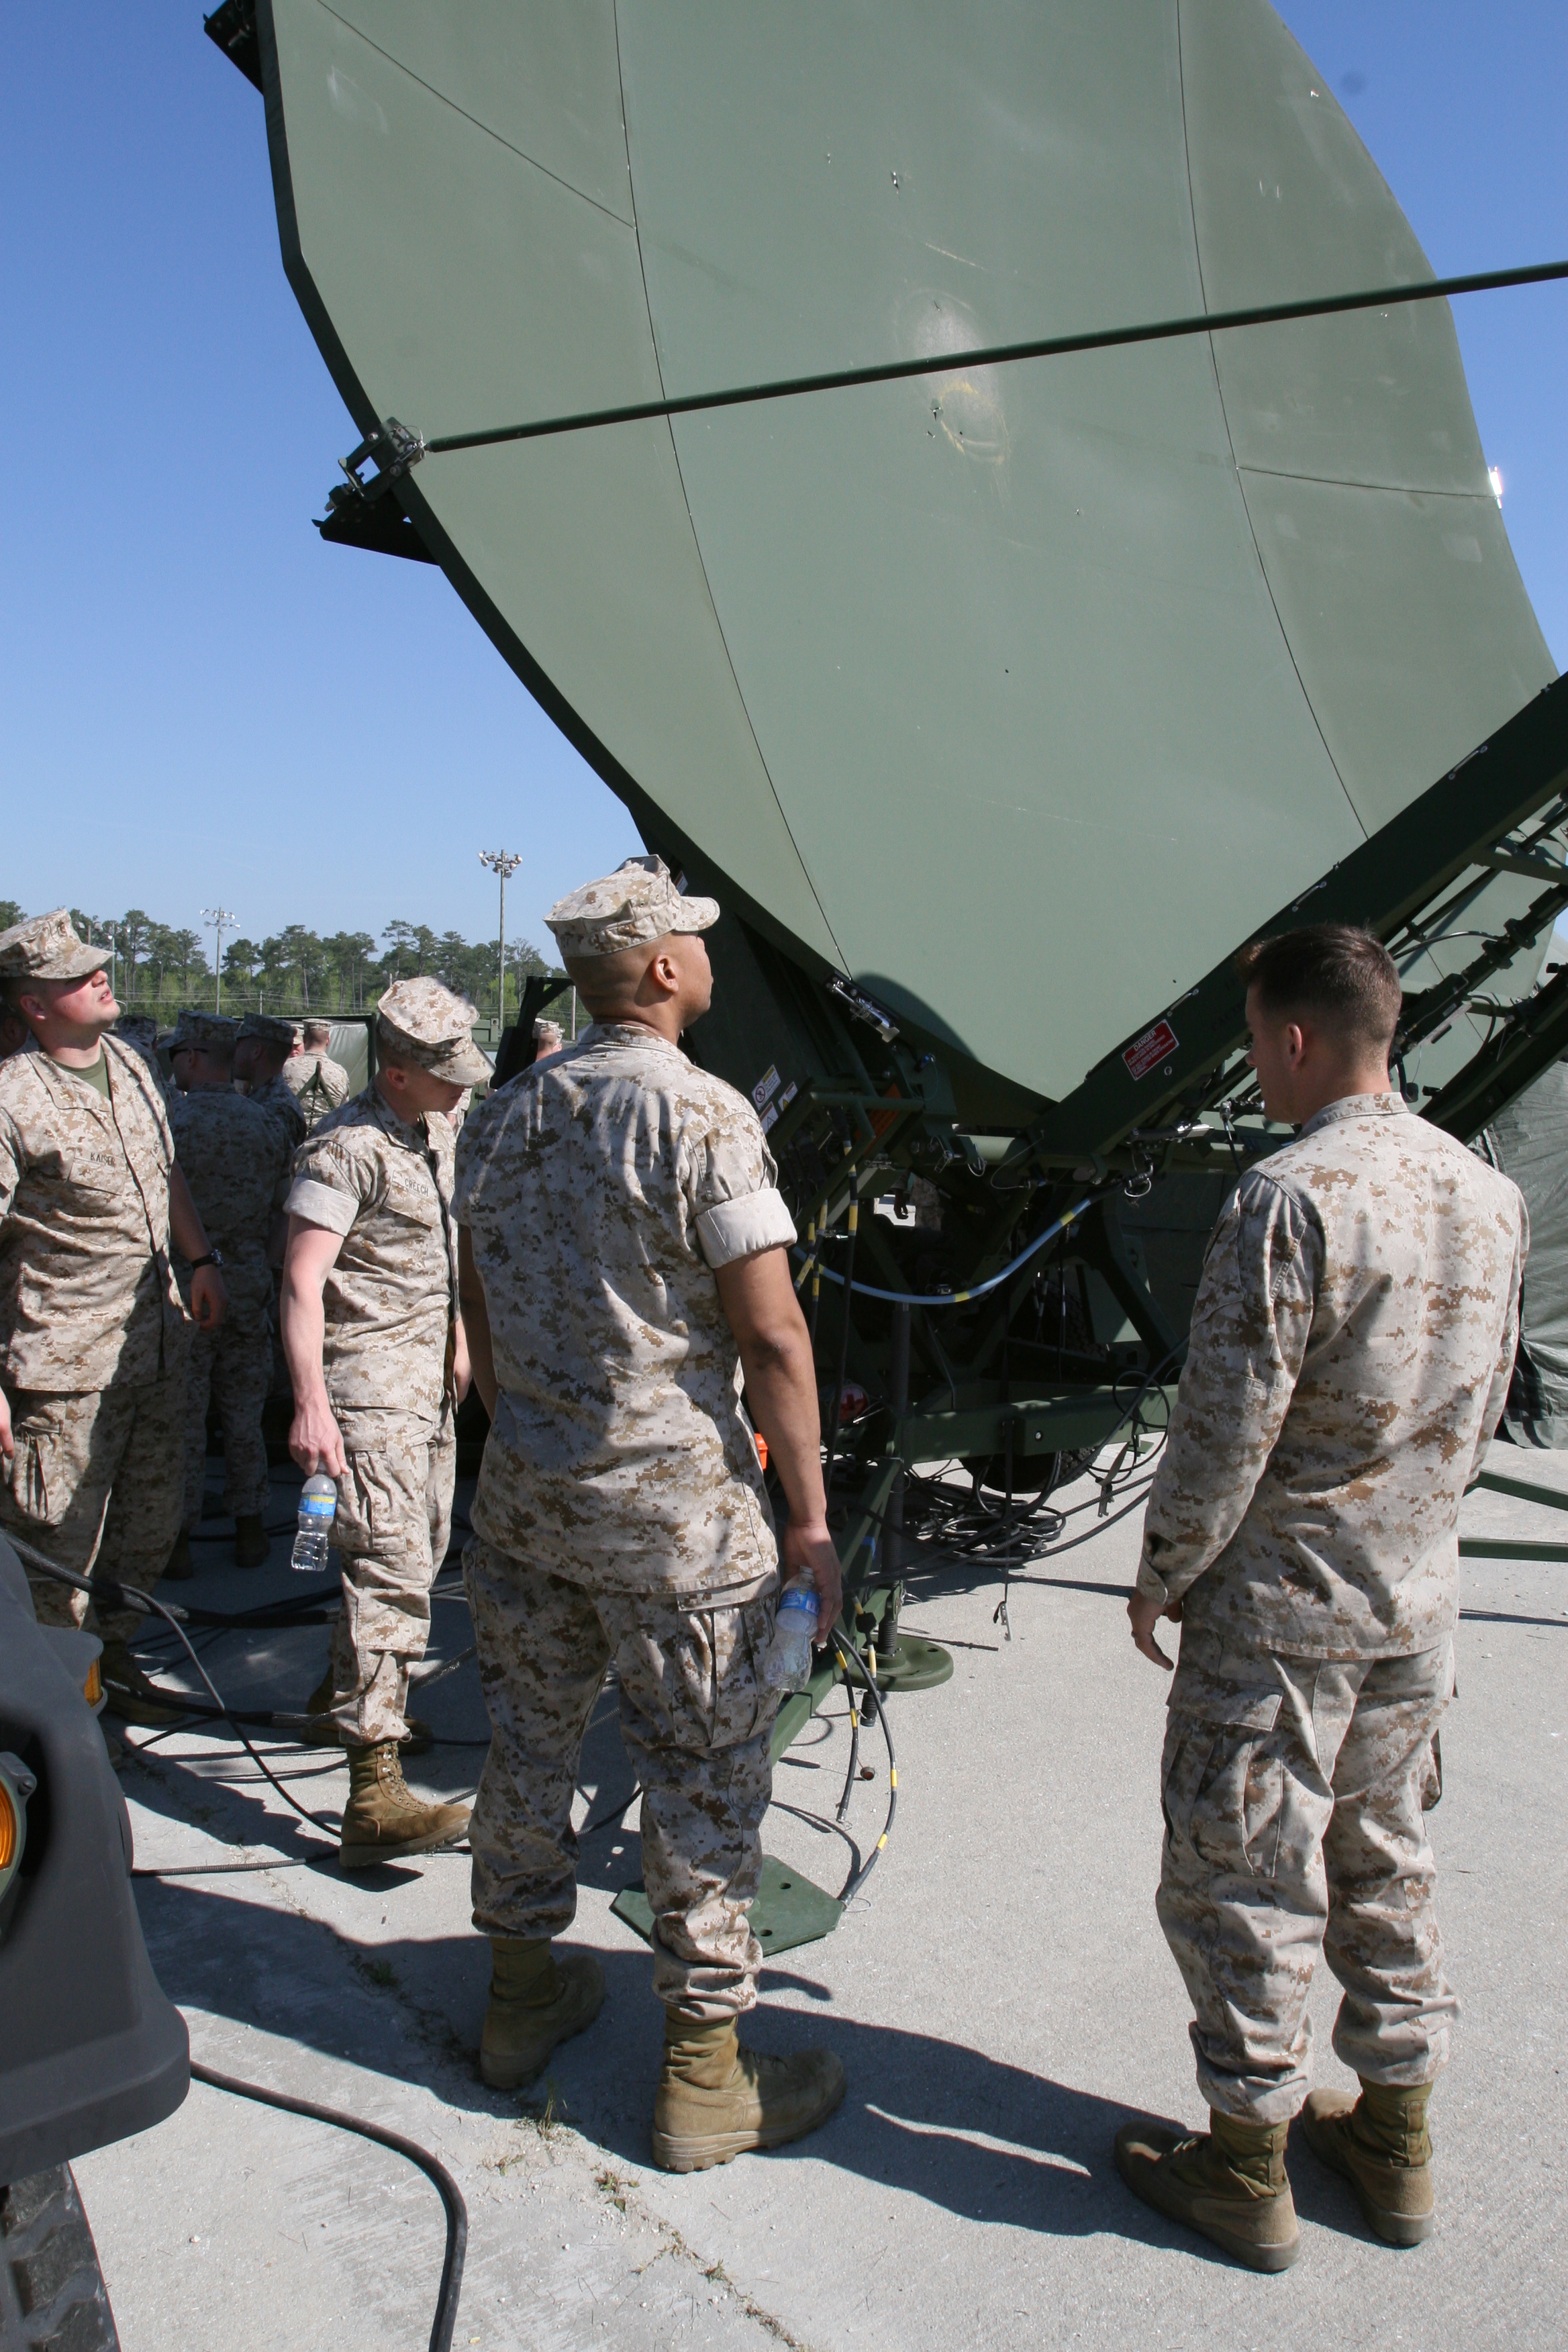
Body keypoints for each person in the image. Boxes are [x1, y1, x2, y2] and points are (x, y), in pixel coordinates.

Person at [1116, 924, 1526, 2272]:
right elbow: (1481, 1415)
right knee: (1384, 1861)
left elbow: (1221, 1433)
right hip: (1415, 1608)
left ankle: (1245, 2167)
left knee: (1243, 1879)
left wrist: (1164, 1572)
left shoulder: (1286, 1196)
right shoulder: (1487, 1191)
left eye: (1253, 1045)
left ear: (1293, 1040)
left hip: (1280, 1621)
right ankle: (1395, 2145)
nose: (1255, 1071)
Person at [452, 854, 845, 2172]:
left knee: (526, 1753)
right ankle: (702, 2080)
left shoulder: (500, 1116)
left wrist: (538, 1445)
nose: (708, 956)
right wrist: (808, 1523)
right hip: (677, 1530)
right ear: (666, 970)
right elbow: (775, 1334)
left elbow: (484, 1329)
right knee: (702, 1789)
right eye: (698, 940)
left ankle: (517, 2005)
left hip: (524, 1510)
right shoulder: (704, 1114)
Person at [279, 975, 489, 1868]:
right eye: (447, 1072)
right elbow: (299, 1282)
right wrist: (312, 1407)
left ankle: (357, 1708)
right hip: (368, 1399)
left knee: (408, 1554)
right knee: (392, 1572)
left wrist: (455, 1337)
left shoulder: (436, 1129)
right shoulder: (344, 1150)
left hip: (426, 1393)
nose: (464, 1085)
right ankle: (375, 1793)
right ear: (396, 1071)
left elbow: (441, 1249)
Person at [0, 910, 228, 1725]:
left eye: (96, 965)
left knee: (148, 1523)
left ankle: (115, 1656)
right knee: (57, 1545)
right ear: (35, 1004)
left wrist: (201, 1261)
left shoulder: (130, 1064)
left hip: (156, 1347)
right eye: (74, 975)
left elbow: (162, 1177)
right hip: (65, 1370)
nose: (100, 976)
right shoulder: (13, 1096)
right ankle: (53, 1711)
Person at [166, 1011, 293, 1574]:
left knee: (185, 1418)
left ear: (193, 1057)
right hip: (246, 1284)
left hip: (186, 1285)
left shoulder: (170, 1123)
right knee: (244, 1415)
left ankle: (178, 1540)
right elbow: (284, 1212)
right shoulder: (264, 1124)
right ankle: (249, 1531)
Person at [234, 1012, 306, 1149]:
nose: (234, 1052)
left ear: (256, 1051)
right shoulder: (265, 1098)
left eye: (239, 1045)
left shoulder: (276, 1109)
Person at [285, 1020, 350, 1132]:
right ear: (328, 1041)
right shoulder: (341, 1074)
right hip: (325, 1141)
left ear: (304, 1039)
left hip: (291, 1141)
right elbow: (345, 1112)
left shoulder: (286, 1068)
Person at [113, 1012, 177, 1109]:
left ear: (155, 1046)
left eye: (142, 1046)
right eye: (127, 1046)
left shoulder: (169, 1095)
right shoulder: (110, 1090)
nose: (134, 1053)